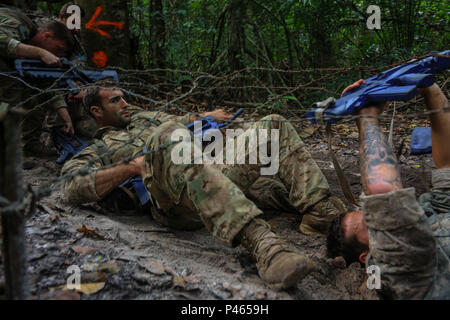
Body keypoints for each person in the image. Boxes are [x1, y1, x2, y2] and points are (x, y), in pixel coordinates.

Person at [60, 83, 347, 289]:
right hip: (173, 202)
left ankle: (320, 212)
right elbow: (71, 185)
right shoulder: (101, 146)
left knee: (273, 124)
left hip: (212, 172)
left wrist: (209, 120)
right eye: (115, 101)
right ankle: (265, 245)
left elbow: (190, 122)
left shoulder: (147, 118)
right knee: (168, 134)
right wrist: (132, 167)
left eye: (124, 97)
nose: (125, 104)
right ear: (97, 111)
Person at [326, 80, 450, 299]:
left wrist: (428, 88)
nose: (371, 214)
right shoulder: (395, 271)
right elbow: (382, 190)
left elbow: (447, 167)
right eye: (365, 222)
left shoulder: (428, 213)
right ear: (366, 256)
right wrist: (366, 115)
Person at [0, 7, 75, 156]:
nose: (58, 55)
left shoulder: (30, 48)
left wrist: (65, 116)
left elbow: (46, 84)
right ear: (46, 36)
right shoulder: (21, 26)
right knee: (11, 91)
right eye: (58, 49)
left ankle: (28, 145)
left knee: (33, 95)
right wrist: (41, 52)